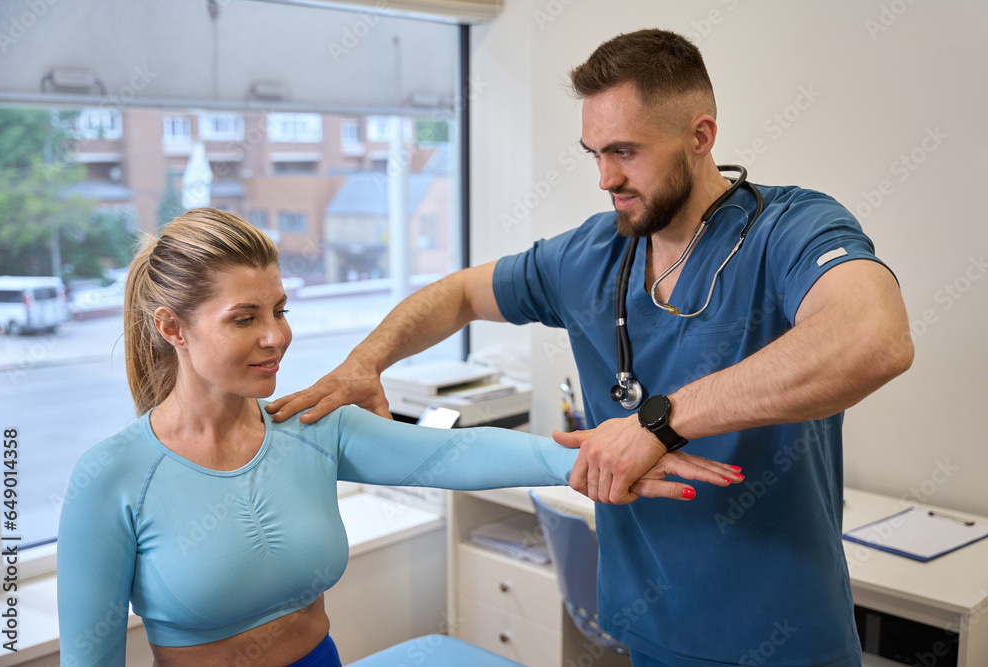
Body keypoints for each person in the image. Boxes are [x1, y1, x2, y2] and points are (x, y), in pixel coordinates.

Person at [266, 29, 914, 667]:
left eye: (626, 151)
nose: (606, 177)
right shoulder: (592, 254)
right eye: (594, 152)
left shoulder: (789, 228)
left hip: (782, 639)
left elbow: (873, 339)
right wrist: (366, 361)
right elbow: (461, 293)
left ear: (700, 136)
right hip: (650, 633)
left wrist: (657, 423)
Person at [56, 208, 742, 667]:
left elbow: (452, 454)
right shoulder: (111, 477)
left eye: (280, 309)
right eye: (245, 318)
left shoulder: (309, 424)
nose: (277, 337)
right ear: (173, 327)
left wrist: (592, 456)